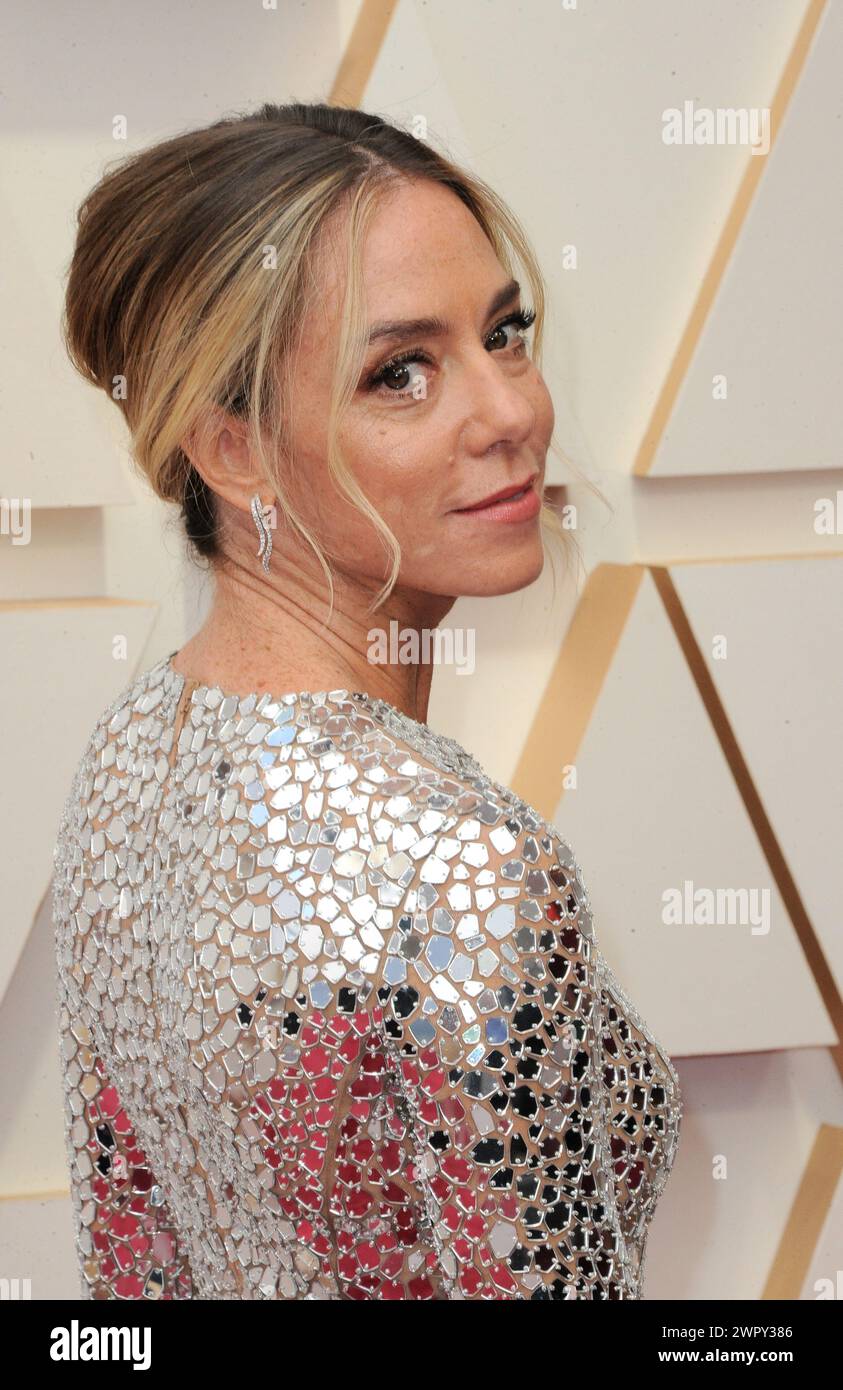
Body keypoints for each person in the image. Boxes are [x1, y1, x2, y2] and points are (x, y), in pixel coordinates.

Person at [52, 101, 681, 1300]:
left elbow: (127, 1297)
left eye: (506, 332)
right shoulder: (467, 867)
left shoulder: (127, 760)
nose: (512, 413)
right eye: (402, 372)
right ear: (230, 449)